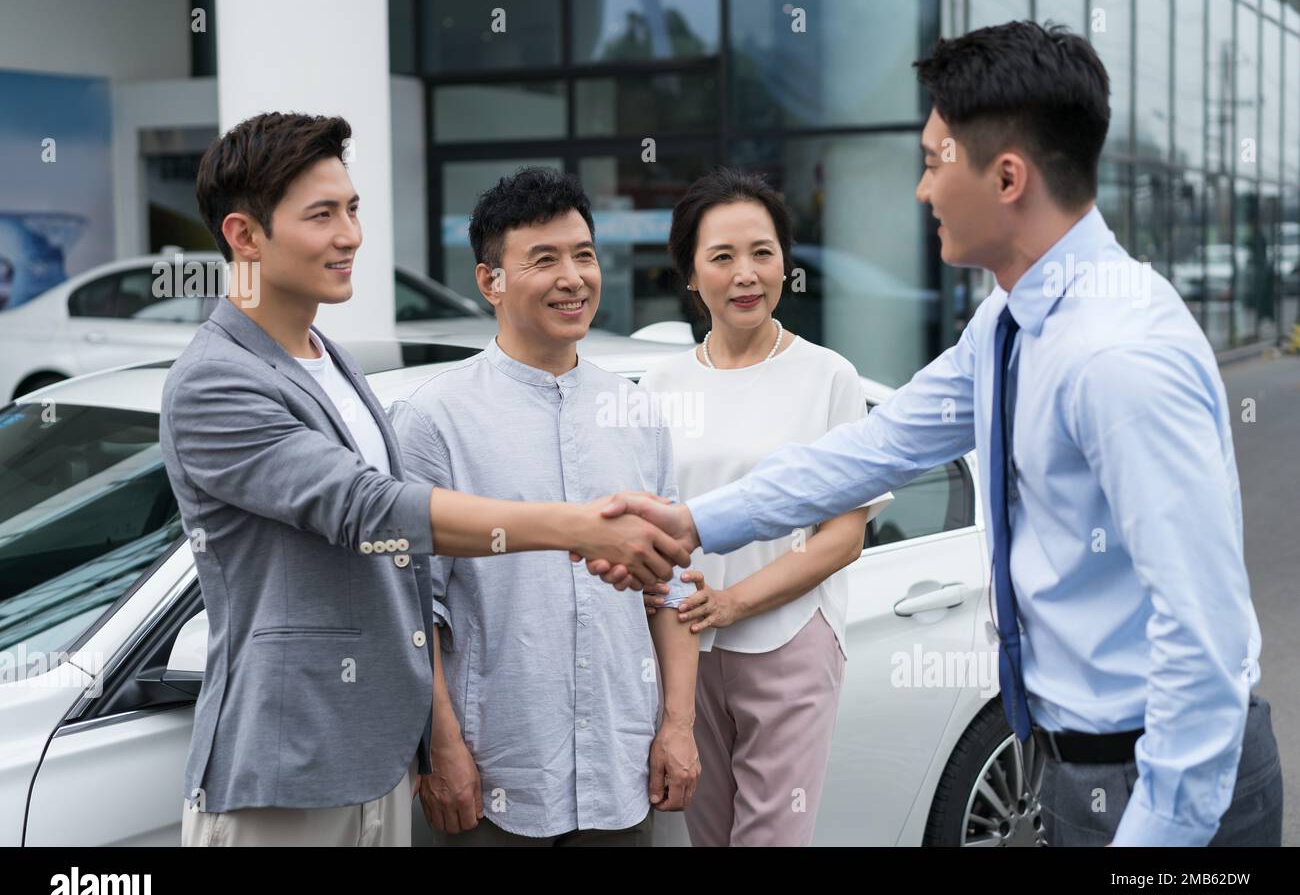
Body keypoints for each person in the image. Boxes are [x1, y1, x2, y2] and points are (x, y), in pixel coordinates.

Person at [590, 22, 1283, 847]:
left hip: (1167, 784)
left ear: (1008, 177)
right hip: (1067, 766)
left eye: (931, 161)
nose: (920, 191)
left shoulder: (1118, 356)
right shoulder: (1008, 324)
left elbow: (1203, 644)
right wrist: (695, 523)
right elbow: (874, 450)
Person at [164, 115, 690, 846]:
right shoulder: (215, 379)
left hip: (377, 758)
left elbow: (397, 569)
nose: (349, 234)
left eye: (352, 209)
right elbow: (369, 510)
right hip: (288, 763)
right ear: (245, 237)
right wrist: (575, 526)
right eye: (322, 215)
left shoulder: (329, 359)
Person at [389, 167, 699, 846]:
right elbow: (415, 609)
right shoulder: (433, 420)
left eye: (583, 254)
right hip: (498, 775)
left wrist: (677, 723)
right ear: (489, 281)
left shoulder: (637, 411)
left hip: (622, 771)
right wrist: (440, 748)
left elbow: (671, 586)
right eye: (545, 258)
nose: (573, 277)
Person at [636, 168, 890, 846]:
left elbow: (843, 536)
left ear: (785, 261)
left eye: (763, 251)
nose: (745, 273)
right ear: (691, 273)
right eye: (722, 256)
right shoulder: (657, 384)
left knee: (771, 836)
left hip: (788, 636)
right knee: (709, 836)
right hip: (682, 647)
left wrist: (735, 601)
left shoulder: (827, 375)